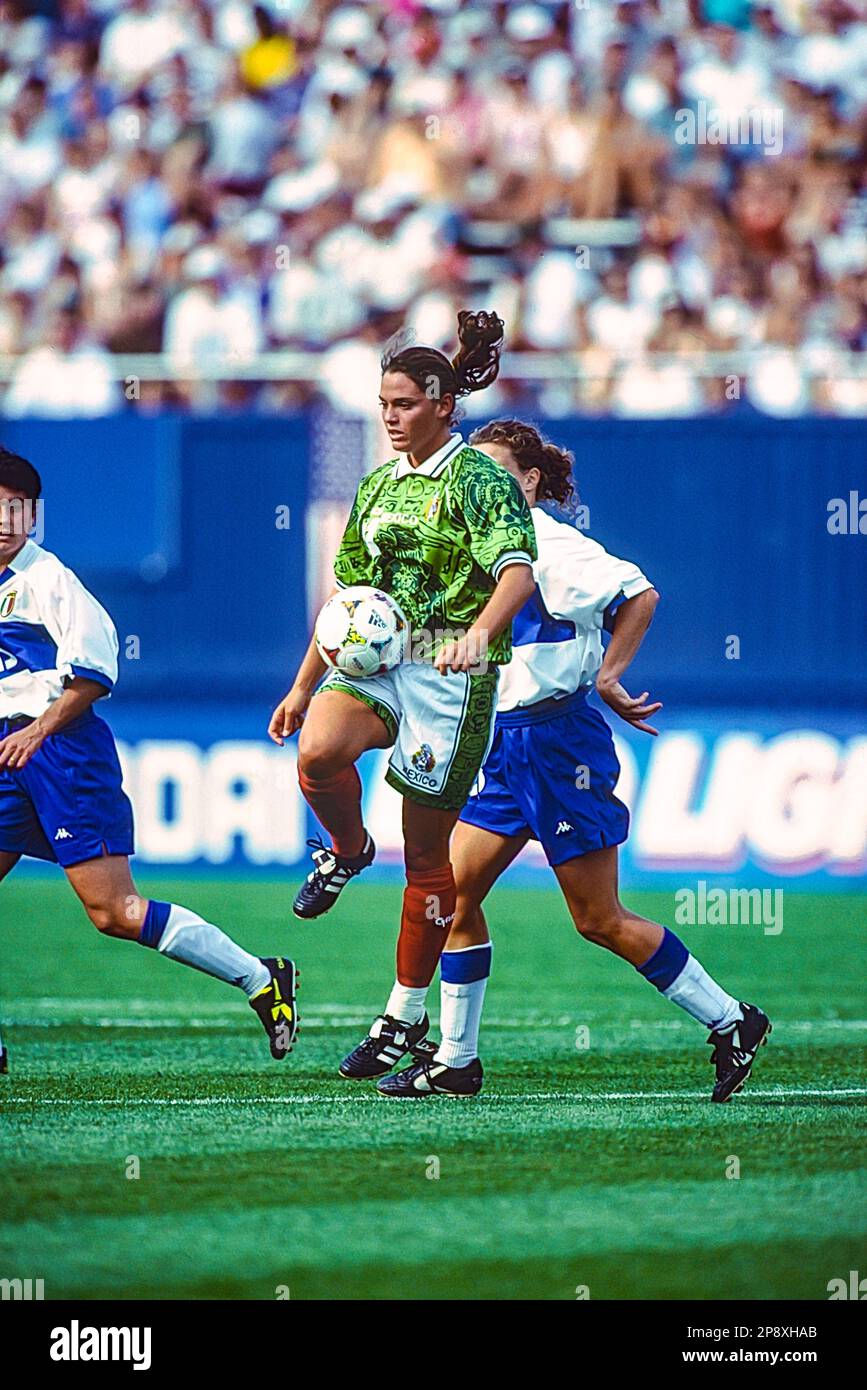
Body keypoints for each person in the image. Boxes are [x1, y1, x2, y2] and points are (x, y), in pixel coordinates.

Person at [353, 420, 771, 1102]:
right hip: (503, 742)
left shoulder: (551, 544)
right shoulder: (472, 544)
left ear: (528, 482)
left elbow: (638, 593)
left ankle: (731, 1020)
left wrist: (610, 676)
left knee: (597, 919)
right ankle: (456, 1061)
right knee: (450, 899)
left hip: (556, 744)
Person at [268, 312, 537, 1071]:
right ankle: (347, 850)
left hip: (452, 674)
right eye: (384, 405)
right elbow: (347, 601)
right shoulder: (378, 486)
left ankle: (405, 1015)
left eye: (405, 404)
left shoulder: (479, 480)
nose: (390, 418)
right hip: (382, 659)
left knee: (427, 865)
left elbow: (517, 570)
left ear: (442, 405)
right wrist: (300, 684)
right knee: (318, 754)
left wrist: (481, 633)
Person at [0, 448, 297, 1073]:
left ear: (33, 517)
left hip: (61, 753)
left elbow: (94, 674)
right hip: (9, 753)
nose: (4, 520)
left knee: (115, 913)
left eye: (15, 508)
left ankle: (260, 978)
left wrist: (38, 731)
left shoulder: (50, 581)